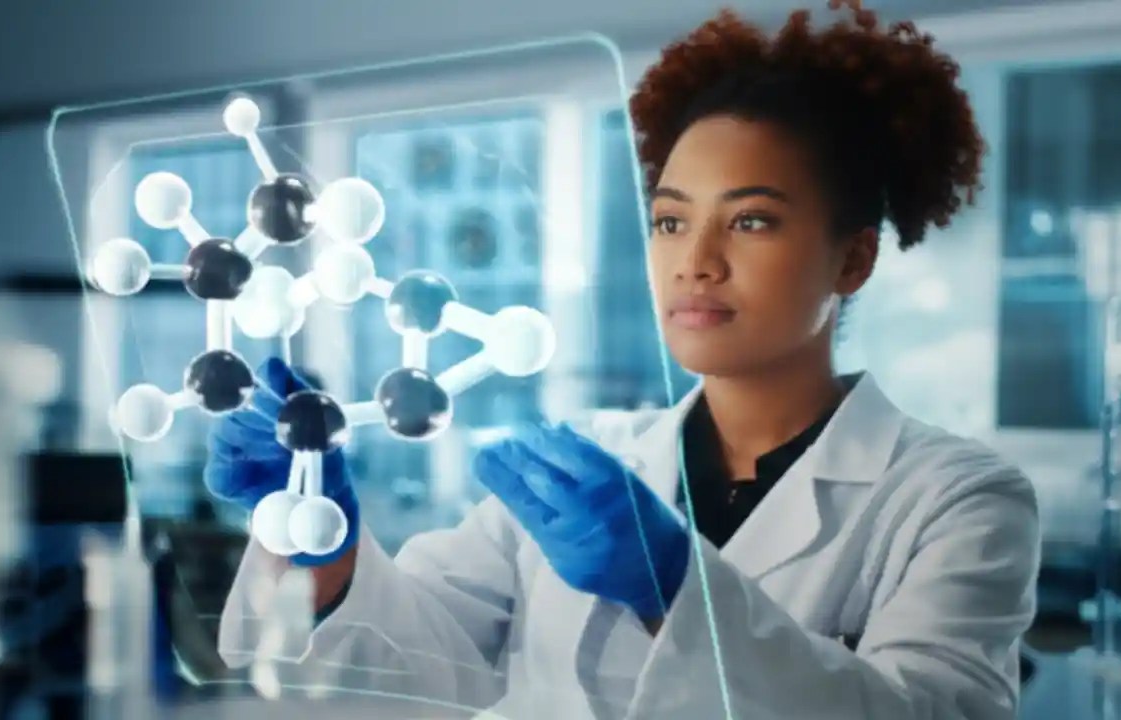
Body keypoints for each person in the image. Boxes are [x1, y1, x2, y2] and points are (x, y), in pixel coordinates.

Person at [205, 2, 1040, 718]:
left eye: (750, 221)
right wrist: (328, 547)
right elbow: (419, 669)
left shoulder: (955, 499)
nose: (695, 262)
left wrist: (678, 590)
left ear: (853, 260)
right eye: (672, 221)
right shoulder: (592, 460)